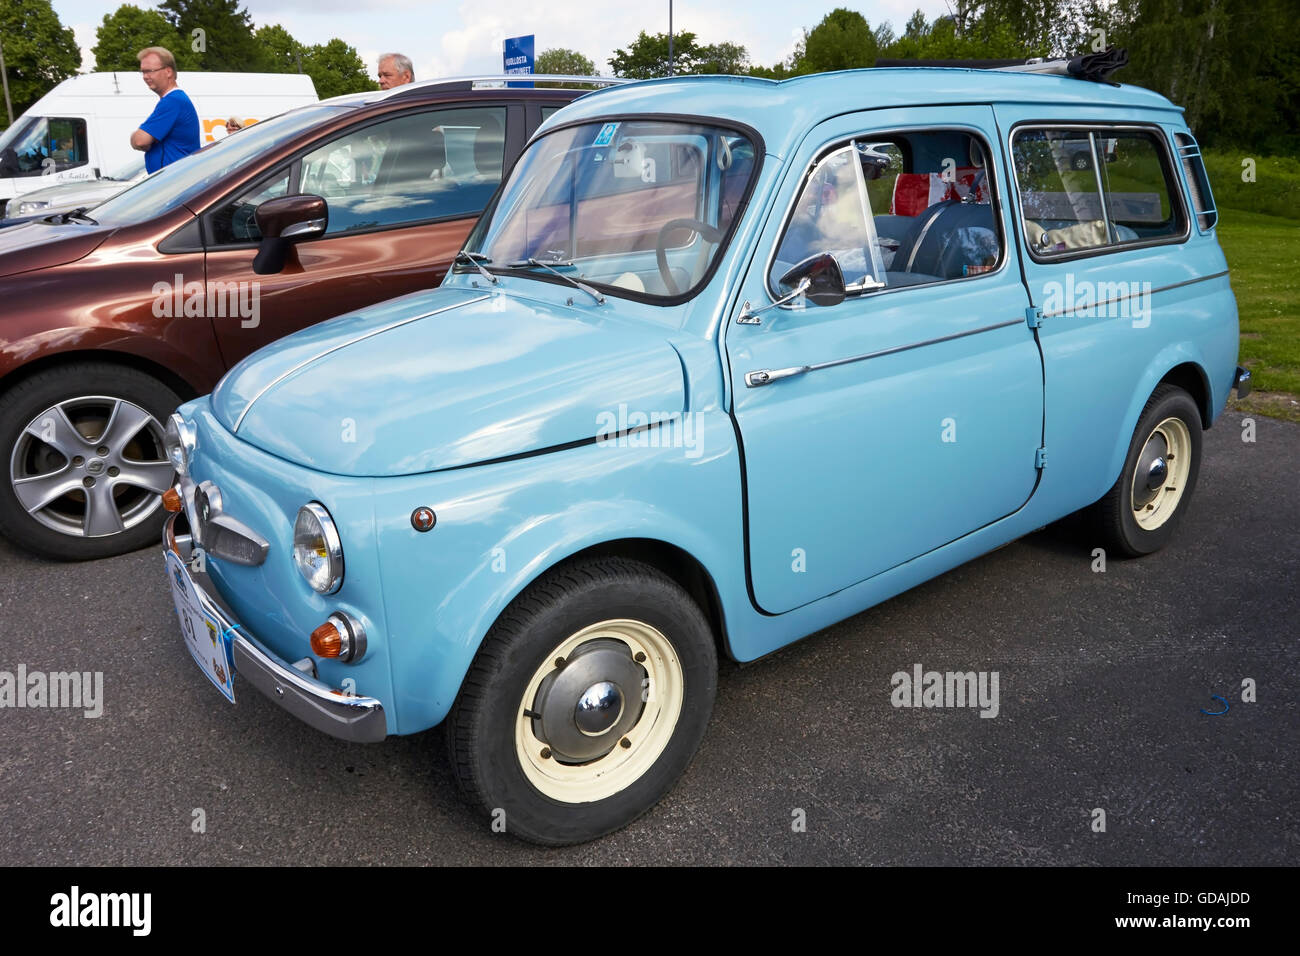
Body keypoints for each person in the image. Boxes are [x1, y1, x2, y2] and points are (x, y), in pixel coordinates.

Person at [130, 47, 201, 173]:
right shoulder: (175, 100)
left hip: (175, 181)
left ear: (168, 71)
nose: (145, 77)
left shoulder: (172, 101)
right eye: (143, 72)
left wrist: (135, 138)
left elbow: (140, 140)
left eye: (150, 71)